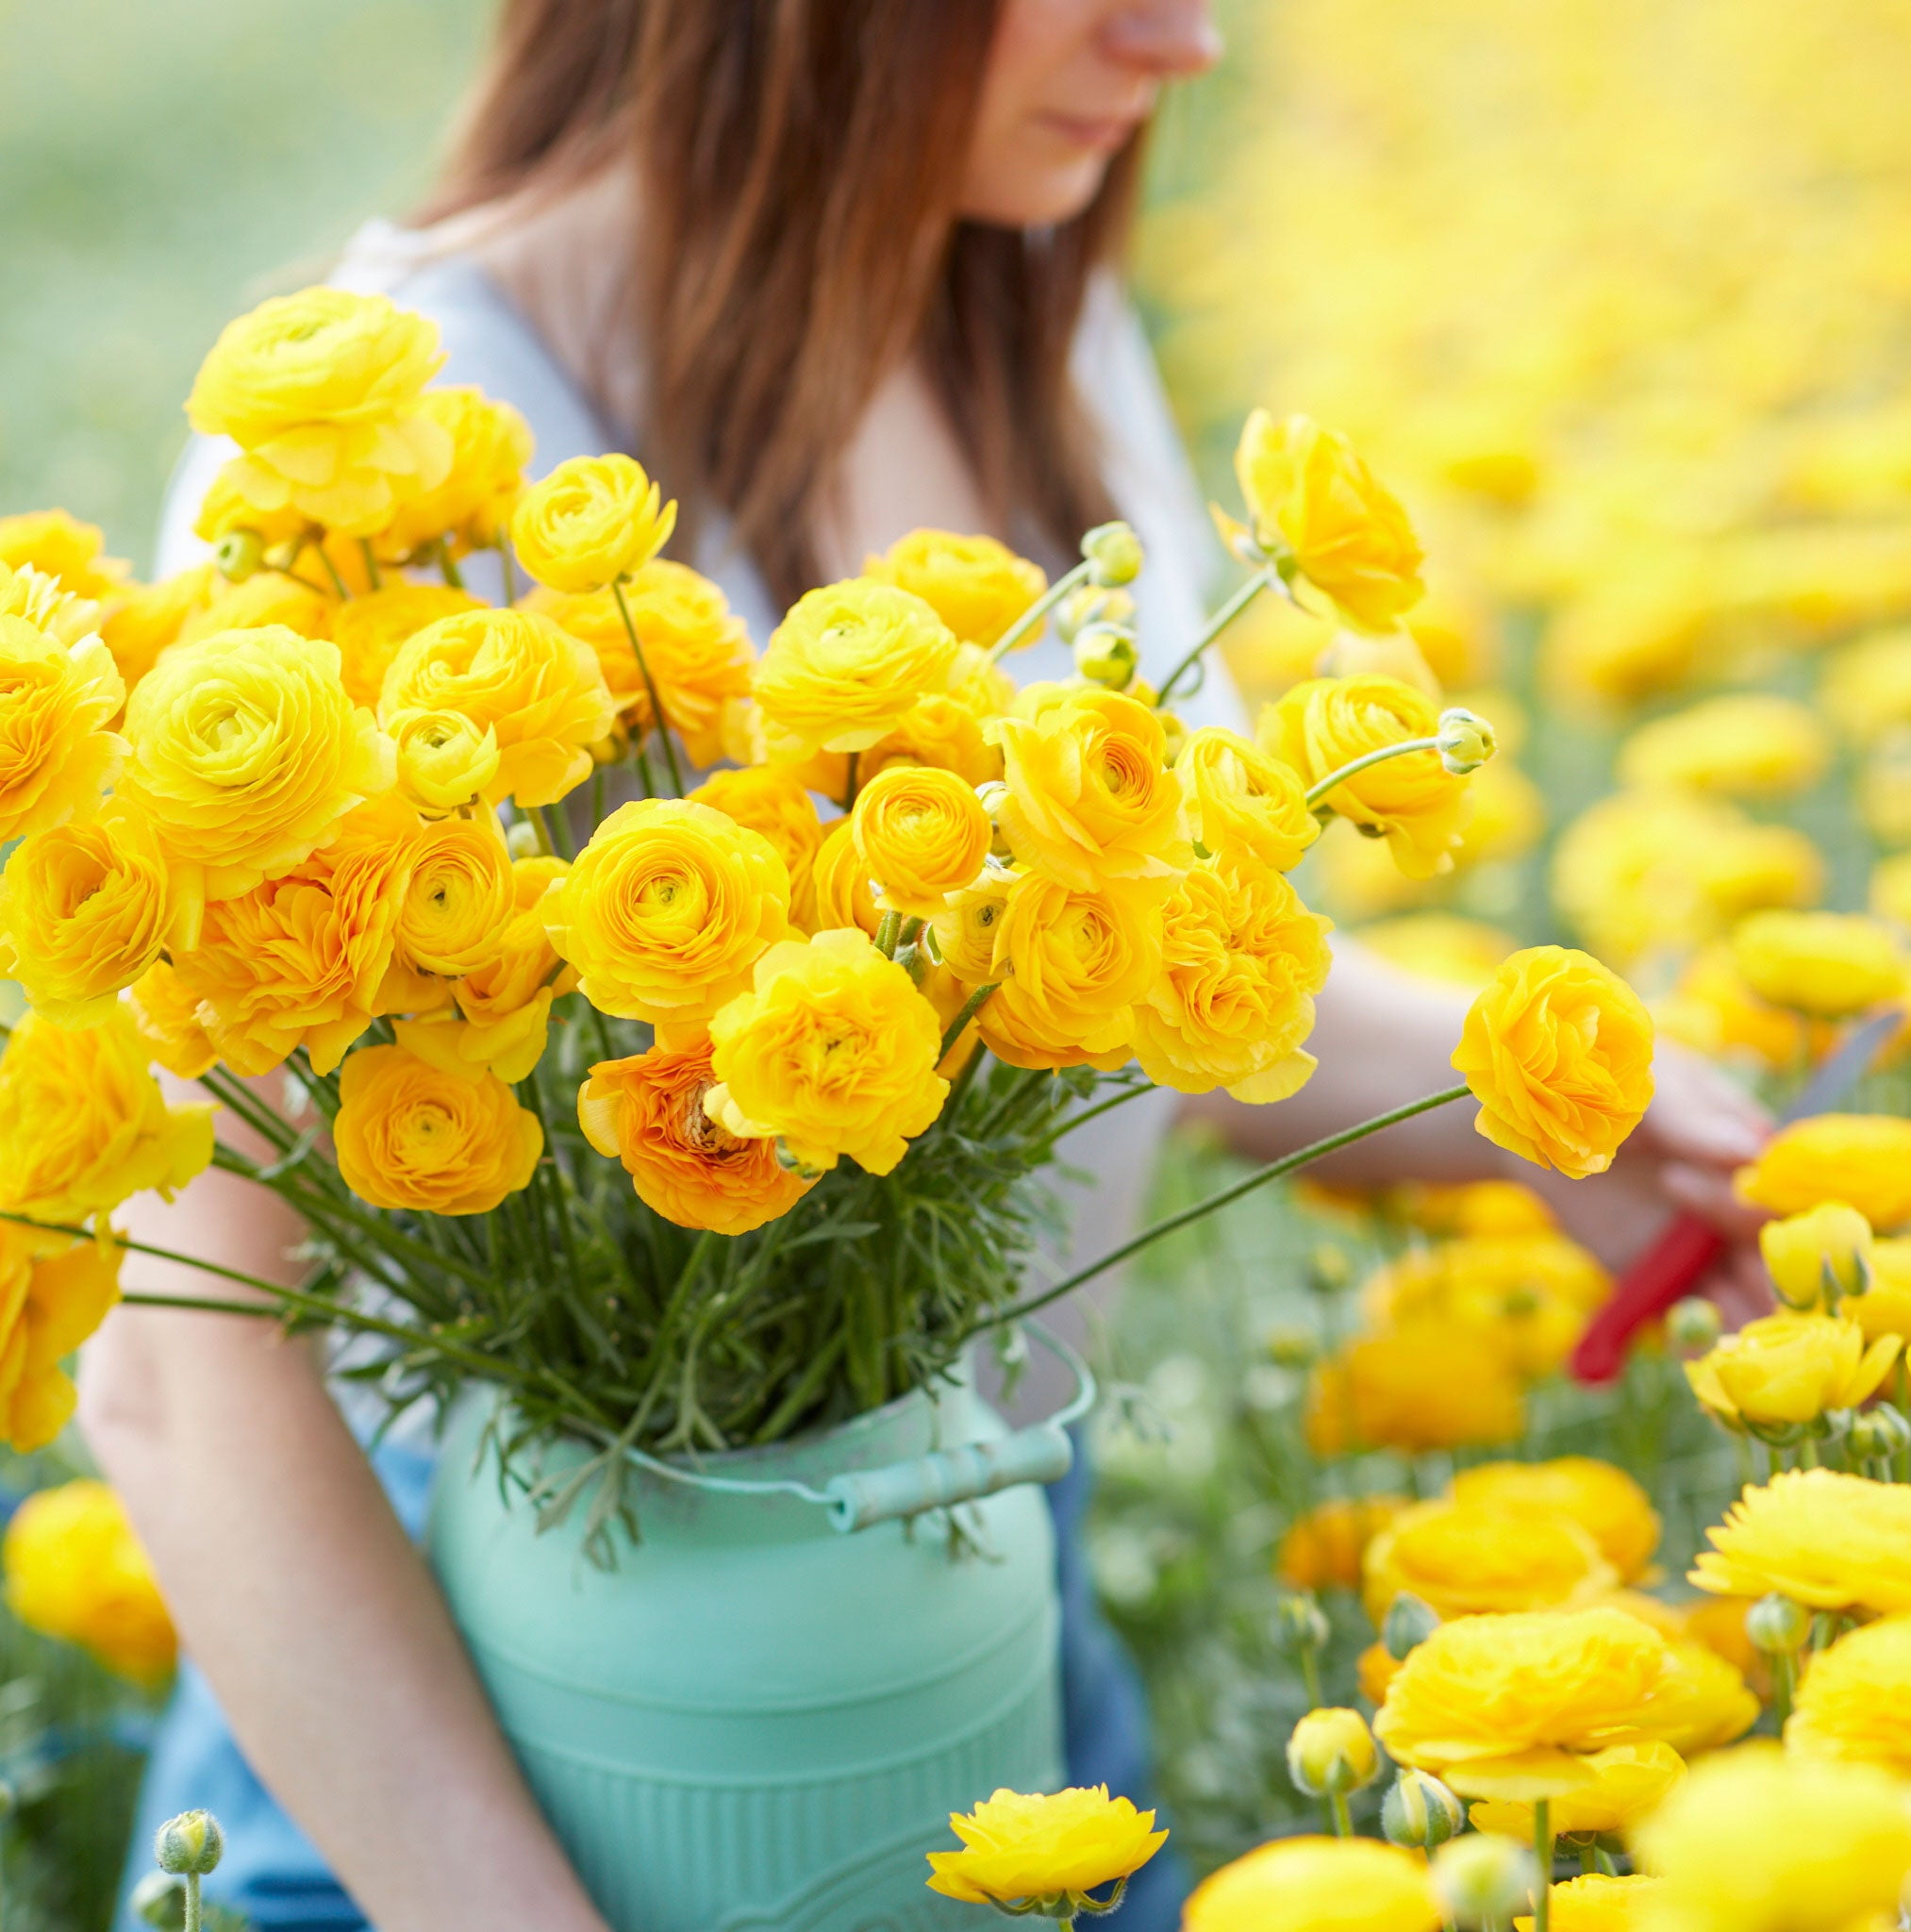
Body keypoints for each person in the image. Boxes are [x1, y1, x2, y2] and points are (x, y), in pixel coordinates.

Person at [83, 5, 1772, 1931]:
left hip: (973, 1648)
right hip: (456, 1766)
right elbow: (178, 1352)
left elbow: (1095, 998)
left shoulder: (1015, 298)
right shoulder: (361, 446)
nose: (1185, 41)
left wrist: (1538, 1099)